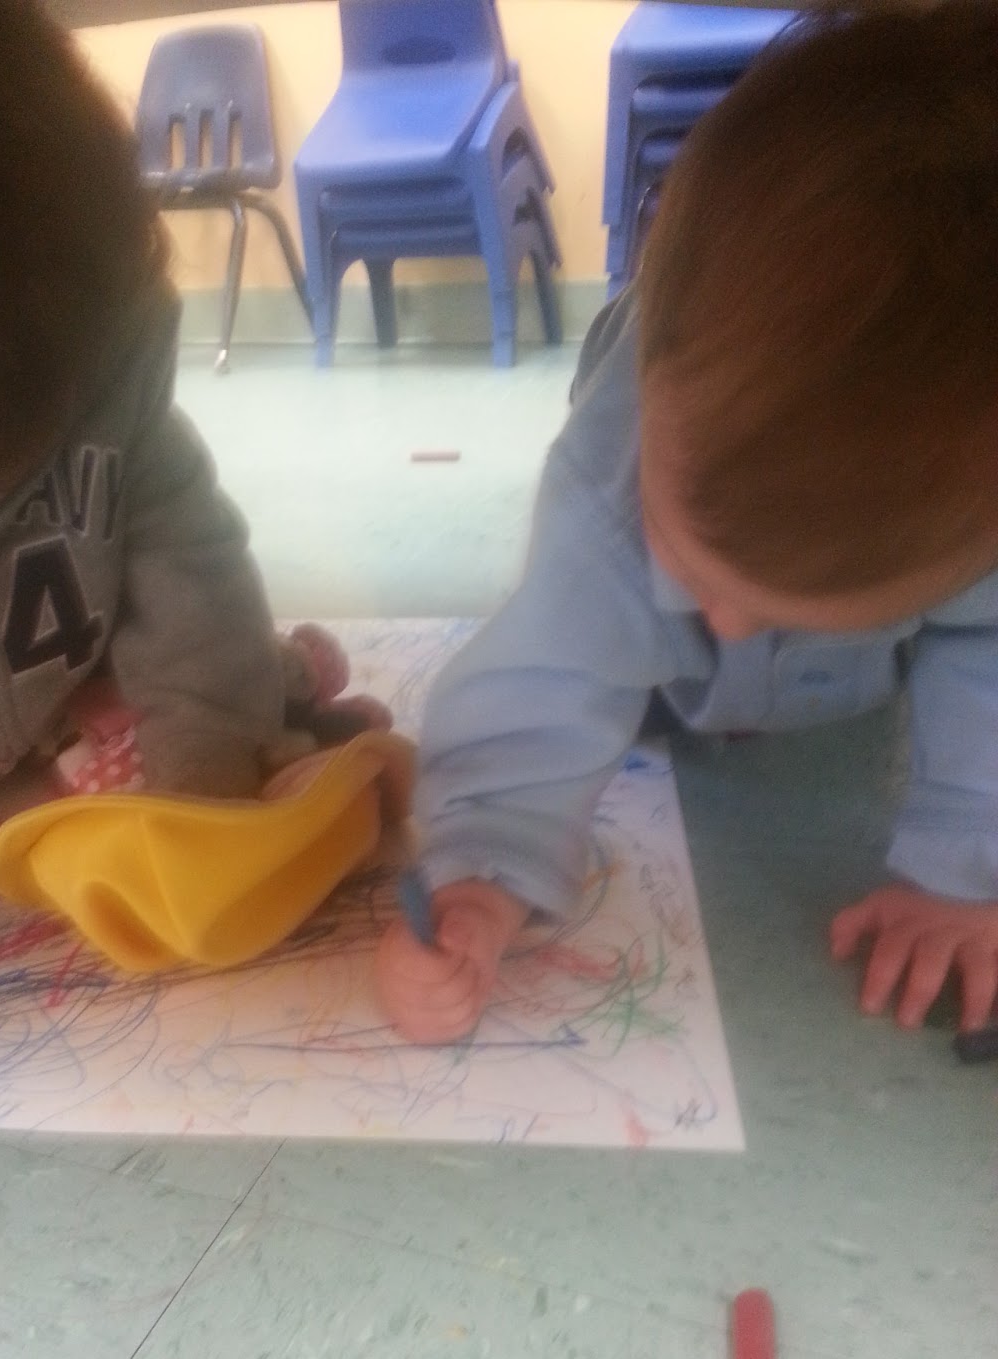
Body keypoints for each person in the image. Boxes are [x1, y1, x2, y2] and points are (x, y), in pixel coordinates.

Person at [376, 3, 998, 1044]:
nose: (727, 626)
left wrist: (971, 869)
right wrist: (482, 878)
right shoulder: (609, 490)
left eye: (786, 608)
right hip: (634, 414)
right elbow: (546, 677)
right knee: (617, 615)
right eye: (694, 569)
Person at [0, 0, 378, 923]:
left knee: (221, 710)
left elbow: (190, 566)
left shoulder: (99, 383)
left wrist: (207, 760)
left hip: (67, 672)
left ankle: (221, 702)